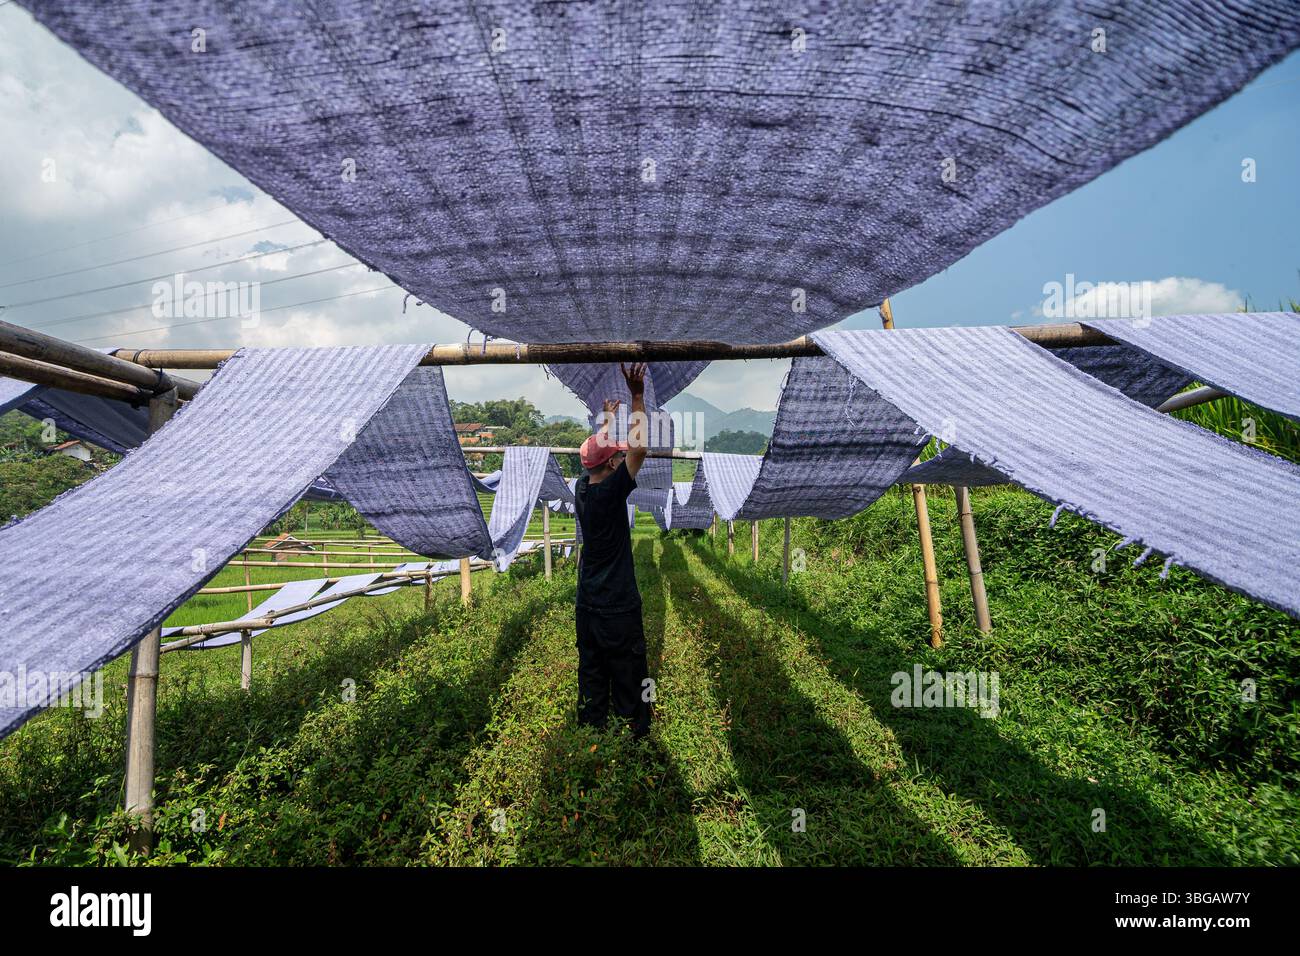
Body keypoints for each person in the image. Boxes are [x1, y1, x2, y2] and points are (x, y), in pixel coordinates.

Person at [572, 362, 651, 739]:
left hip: (587, 604)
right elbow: (641, 448)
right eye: (616, 457)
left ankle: (591, 735)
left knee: (591, 669)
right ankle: (637, 733)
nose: (621, 459)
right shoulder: (613, 491)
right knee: (631, 670)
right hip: (618, 606)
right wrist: (637, 394)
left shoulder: (582, 489)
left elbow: (594, 457)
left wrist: (606, 423)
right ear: (612, 463)